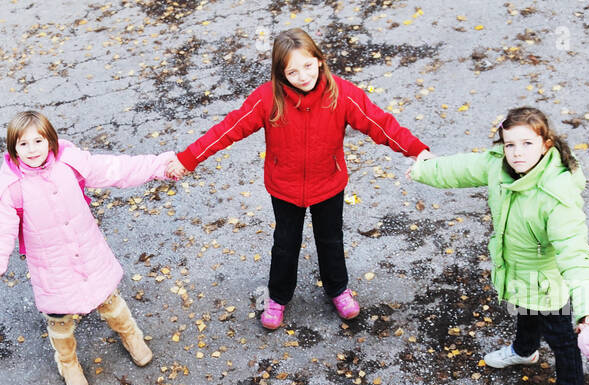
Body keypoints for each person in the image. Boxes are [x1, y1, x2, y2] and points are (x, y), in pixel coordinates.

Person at [166, 28, 430, 330]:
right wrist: (188, 158)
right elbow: (228, 129)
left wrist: (416, 150)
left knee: (330, 240)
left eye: (307, 65)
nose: (303, 76)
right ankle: (278, 296)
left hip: (328, 183)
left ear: (319, 60)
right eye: (292, 71)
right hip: (285, 187)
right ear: (280, 74)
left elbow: (379, 123)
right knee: (285, 244)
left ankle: (338, 289)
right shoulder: (267, 99)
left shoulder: (341, 94)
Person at [408, 106, 589, 385]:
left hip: (548, 284)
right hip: (519, 271)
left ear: (546, 144)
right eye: (510, 144)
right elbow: (459, 169)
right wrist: (422, 168)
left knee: (562, 341)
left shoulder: (557, 197)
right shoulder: (498, 164)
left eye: (527, 144)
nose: (517, 153)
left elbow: (576, 256)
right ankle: (524, 351)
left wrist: (588, 312)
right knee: (525, 312)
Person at [0, 110, 175, 385]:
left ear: (50, 140)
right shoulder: (10, 190)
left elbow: (117, 169)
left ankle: (131, 335)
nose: (32, 150)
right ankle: (68, 362)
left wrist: (162, 166)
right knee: (60, 321)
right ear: (13, 148)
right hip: (52, 268)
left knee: (110, 301)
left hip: (89, 254)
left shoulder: (71, 163)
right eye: (23, 144)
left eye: (38, 141)